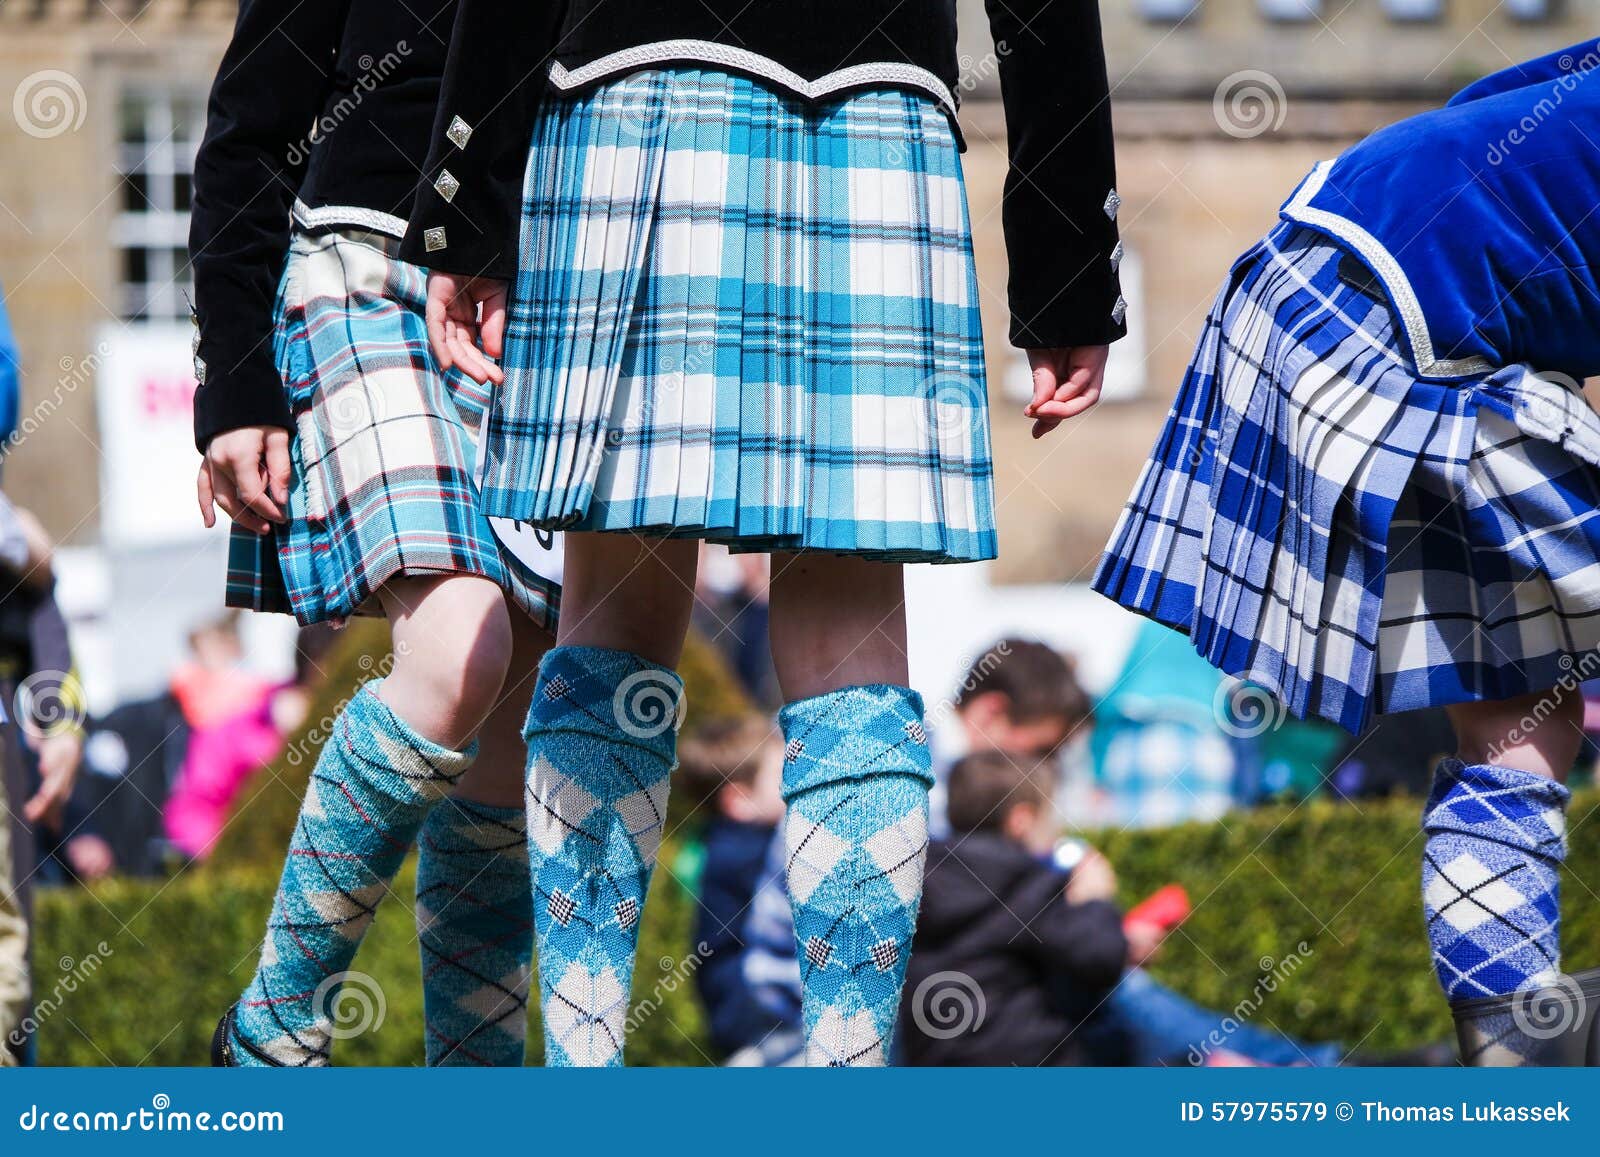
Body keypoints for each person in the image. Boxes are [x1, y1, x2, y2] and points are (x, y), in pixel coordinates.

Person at [404, 1, 1126, 1066]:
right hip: (876, 104)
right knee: (847, 617)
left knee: (614, 603)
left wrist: (466, 206)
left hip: (634, 89)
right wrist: (1067, 252)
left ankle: (584, 1082)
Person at [1094, 43, 1600, 1065]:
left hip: (1307, 270)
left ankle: (1509, 1065)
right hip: (1400, 320)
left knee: (1516, 728)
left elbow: (1484, 103)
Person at [189, 0, 559, 1067]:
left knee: (508, 701)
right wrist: (234, 388)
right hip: (367, 271)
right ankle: (272, 1028)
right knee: (460, 645)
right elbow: (248, 135)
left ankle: (474, 1084)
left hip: (539, 297)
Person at [904, 752, 1352, 1067]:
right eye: (1050, 819)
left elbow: (1019, 958)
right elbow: (1096, 961)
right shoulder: (1023, 878)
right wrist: (1095, 895)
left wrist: (1112, 935)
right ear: (1021, 821)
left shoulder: (929, 881)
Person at [675, 715, 795, 1062]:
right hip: (750, 1016)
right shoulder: (740, 852)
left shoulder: (723, 845)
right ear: (740, 800)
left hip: (736, 1012)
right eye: (783, 774)